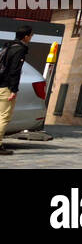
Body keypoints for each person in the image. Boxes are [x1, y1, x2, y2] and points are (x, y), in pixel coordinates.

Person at [0, 25, 33, 157]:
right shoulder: (20, 49)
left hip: (0, 84)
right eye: (31, 35)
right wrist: (13, 89)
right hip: (6, 87)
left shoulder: (8, 46)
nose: (31, 38)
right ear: (26, 36)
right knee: (4, 117)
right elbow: (15, 70)